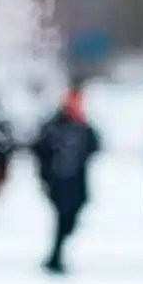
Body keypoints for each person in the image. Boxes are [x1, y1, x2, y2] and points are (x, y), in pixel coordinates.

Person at [33, 85, 101, 274]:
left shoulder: (83, 127)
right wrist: (45, 175)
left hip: (77, 182)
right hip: (58, 182)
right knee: (62, 220)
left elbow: (95, 146)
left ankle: (56, 255)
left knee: (71, 219)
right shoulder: (54, 126)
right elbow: (40, 149)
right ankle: (55, 258)